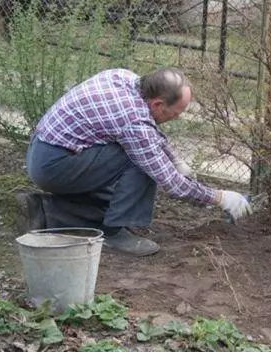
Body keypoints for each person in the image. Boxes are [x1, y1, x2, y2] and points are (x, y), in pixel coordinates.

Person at [17, 67, 252, 256]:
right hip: (54, 165)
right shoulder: (133, 122)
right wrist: (220, 197)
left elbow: (150, 132)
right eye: (176, 113)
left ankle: (47, 211)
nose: (177, 118)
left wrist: (176, 160)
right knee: (140, 164)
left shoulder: (124, 77)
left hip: (48, 151)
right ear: (158, 104)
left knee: (133, 159)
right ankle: (112, 233)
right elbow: (171, 183)